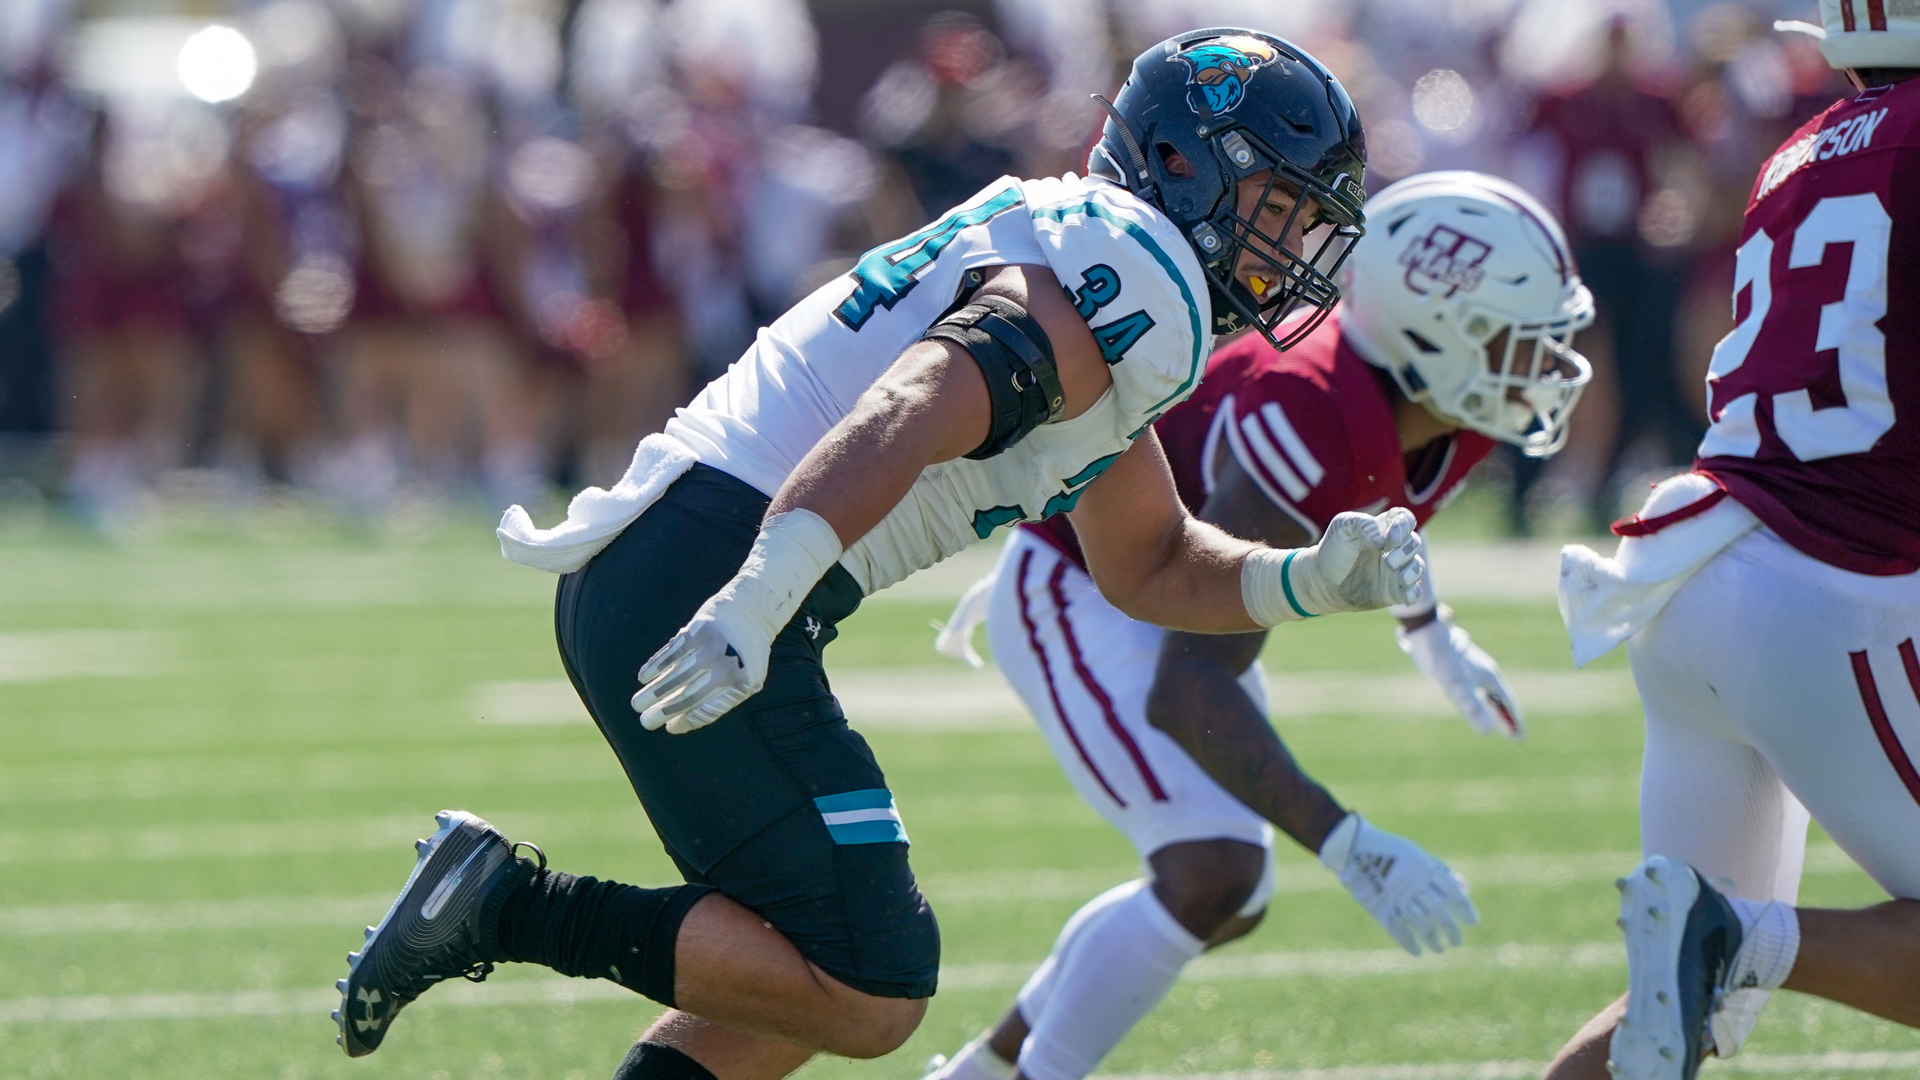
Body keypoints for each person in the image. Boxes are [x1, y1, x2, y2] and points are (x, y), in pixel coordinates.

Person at [330, 29, 1415, 1080]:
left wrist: (1309, 580)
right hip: (715, 568)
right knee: (876, 981)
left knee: (792, 977)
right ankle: (501, 903)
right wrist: (757, 596)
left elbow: (1151, 562)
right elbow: (919, 399)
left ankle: (503, 910)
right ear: (1183, 168)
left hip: (681, 558)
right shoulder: (1138, 273)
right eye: (1278, 207)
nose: (1292, 255)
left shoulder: (1096, 266)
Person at [924, 170, 1596, 1080]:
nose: (1549, 366)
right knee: (1213, 869)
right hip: (1085, 582)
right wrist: (1349, 841)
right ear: (1433, 333)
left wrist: (1429, 630)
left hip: (1176, 590)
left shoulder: (1442, 403)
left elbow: (1377, 517)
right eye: (1520, 340)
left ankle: (981, 1074)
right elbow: (1189, 687)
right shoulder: (1315, 411)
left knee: (1221, 889)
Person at [1547, 5, 1920, 1078]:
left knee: (1676, 1016)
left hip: (1703, 565)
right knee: (1718, 952)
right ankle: (1741, 935)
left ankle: (1722, 941)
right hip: (1827, 588)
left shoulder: (1801, 150)